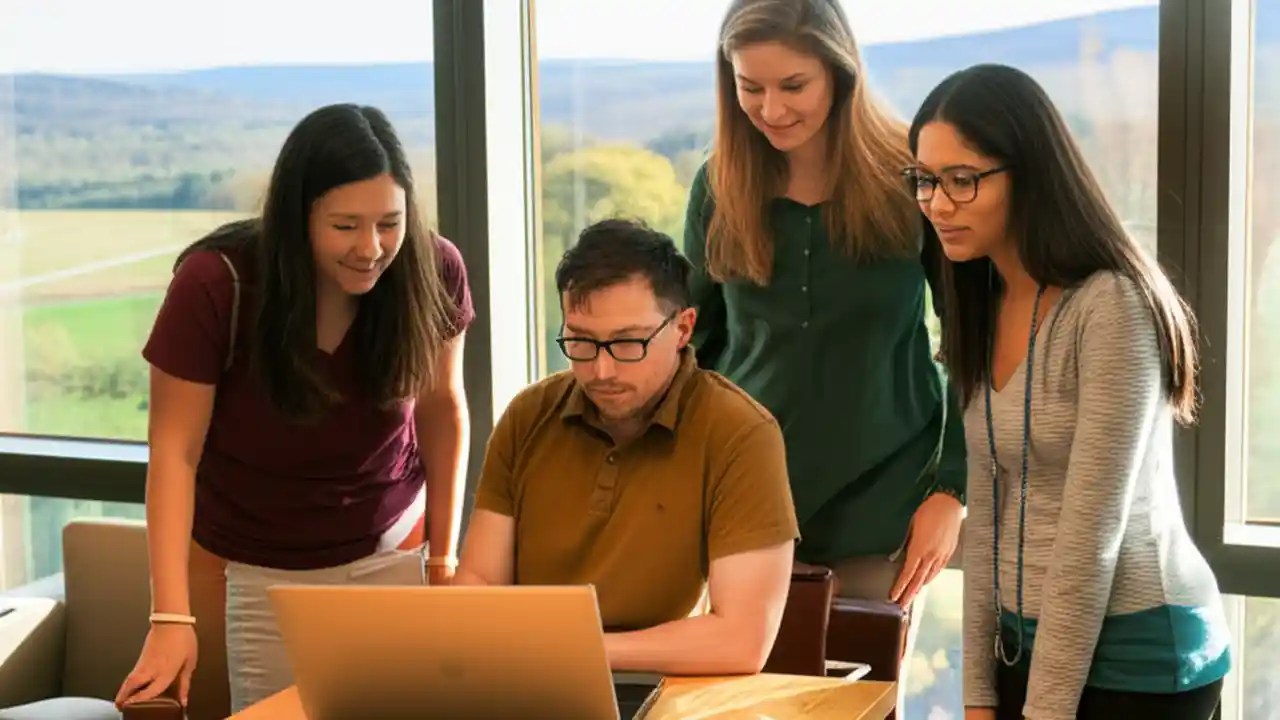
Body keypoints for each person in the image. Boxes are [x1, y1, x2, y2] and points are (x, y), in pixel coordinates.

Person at [113, 104, 475, 715]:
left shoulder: (433, 268)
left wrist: (444, 556)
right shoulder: (216, 285)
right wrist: (170, 616)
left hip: (393, 551)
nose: (371, 248)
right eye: (345, 226)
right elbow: (174, 453)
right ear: (295, 216)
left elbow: (442, 406)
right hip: (253, 567)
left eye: (390, 222)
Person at [906, 63, 1232, 720]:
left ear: (1029, 174)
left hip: (1144, 656)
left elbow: (1092, 534)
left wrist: (1042, 710)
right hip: (1028, 649)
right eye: (925, 180)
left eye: (963, 180)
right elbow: (990, 509)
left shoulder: (1111, 306)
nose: (938, 203)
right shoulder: (981, 301)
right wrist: (978, 700)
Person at [684, 0, 966, 692]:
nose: (770, 109)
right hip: (743, 508)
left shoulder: (912, 176)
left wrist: (952, 490)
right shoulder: (719, 186)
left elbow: (972, 340)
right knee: (746, 703)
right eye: (750, 87)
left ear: (840, 73)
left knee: (861, 703)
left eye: (792, 86)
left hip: (883, 507)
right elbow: (694, 347)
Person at [455, 218, 799, 681]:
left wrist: (573, 649)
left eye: (626, 343)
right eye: (579, 341)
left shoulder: (740, 432)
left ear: (682, 329)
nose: (601, 371)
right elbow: (478, 581)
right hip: (528, 678)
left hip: (663, 686)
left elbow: (741, 641)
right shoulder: (529, 415)